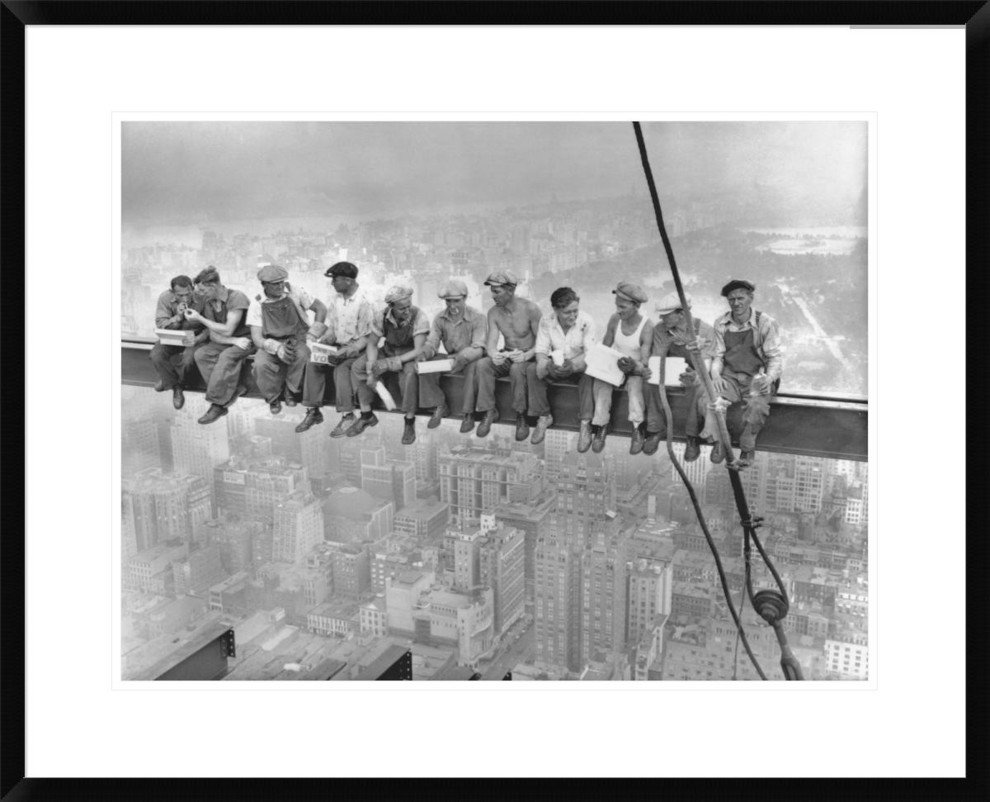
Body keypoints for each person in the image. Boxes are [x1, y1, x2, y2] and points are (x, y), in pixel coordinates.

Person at [701, 279, 783, 468]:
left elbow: (775, 357)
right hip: (730, 377)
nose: (736, 303)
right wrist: (716, 375)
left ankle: (747, 447)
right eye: (731, 300)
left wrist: (769, 379)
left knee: (756, 406)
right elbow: (718, 355)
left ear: (750, 298)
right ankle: (721, 441)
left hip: (757, 378)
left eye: (740, 298)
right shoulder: (721, 323)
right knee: (713, 400)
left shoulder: (765, 323)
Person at [295, 261, 377, 437]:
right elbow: (332, 327)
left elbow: (368, 337)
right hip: (337, 346)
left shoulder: (365, 302)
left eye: (335, 280)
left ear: (348, 280)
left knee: (341, 369)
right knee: (313, 362)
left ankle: (348, 415)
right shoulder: (336, 300)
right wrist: (323, 341)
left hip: (357, 350)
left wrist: (347, 351)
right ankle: (313, 410)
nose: (332, 284)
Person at [350, 284, 430, 445]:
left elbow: (418, 349)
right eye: (402, 309)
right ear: (391, 306)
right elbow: (372, 344)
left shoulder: (419, 317)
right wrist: (371, 368)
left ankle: (409, 420)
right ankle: (367, 414)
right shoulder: (382, 316)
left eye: (408, 306)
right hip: (388, 349)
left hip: (409, 354)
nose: (406, 311)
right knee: (358, 366)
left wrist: (389, 363)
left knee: (409, 375)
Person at [642, 291, 716, 460]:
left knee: (697, 387)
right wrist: (651, 369)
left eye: (666, 316)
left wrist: (695, 375)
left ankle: (692, 436)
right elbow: (657, 357)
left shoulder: (704, 330)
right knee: (650, 382)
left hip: (695, 374)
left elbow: (706, 366)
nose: (662, 319)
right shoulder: (661, 329)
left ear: (682, 314)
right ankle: (655, 428)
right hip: (669, 372)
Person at [247, 264, 327, 416]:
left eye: (281, 282)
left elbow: (321, 309)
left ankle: (291, 391)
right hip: (271, 341)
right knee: (260, 364)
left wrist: (312, 335)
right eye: (275, 284)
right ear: (264, 285)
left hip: (297, 338)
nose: (280, 286)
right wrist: (277, 348)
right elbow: (257, 338)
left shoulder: (295, 291)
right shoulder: (257, 303)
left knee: (303, 356)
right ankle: (273, 398)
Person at [473, 271, 542, 440]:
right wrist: (494, 354)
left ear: (510, 291)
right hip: (508, 353)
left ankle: (521, 416)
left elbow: (542, 342)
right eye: (492, 291)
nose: (493, 296)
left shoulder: (531, 309)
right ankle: (489, 411)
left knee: (517, 370)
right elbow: (491, 343)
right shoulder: (494, 313)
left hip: (529, 356)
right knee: (483, 365)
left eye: (497, 292)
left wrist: (527, 356)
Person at [530, 287, 598, 450]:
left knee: (589, 376)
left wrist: (573, 366)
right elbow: (540, 350)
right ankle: (544, 415)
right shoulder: (547, 321)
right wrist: (547, 365)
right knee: (532, 371)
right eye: (568, 312)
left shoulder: (586, 321)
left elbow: (591, 354)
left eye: (575, 311)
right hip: (556, 364)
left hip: (579, 366)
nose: (573, 316)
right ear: (556, 310)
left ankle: (585, 424)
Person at [185, 266, 255, 425]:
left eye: (203, 290)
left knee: (226, 357)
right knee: (201, 354)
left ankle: (217, 404)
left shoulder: (237, 297)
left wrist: (200, 319)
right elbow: (213, 332)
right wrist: (232, 341)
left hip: (247, 340)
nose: (201, 294)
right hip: (231, 341)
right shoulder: (209, 302)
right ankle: (235, 388)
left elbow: (228, 329)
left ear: (213, 286)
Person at [590, 282, 653, 455]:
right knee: (601, 382)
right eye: (617, 306)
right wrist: (601, 364)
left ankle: (637, 427)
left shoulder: (646, 327)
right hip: (616, 364)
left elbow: (646, 361)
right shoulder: (615, 319)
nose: (618, 310)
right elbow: (606, 345)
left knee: (635, 387)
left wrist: (634, 366)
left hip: (634, 369)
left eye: (623, 307)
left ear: (637, 306)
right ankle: (601, 424)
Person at [418, 279, 488, 432]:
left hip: (471, 358)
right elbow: (432, 342)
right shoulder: (440, 318)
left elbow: (479, 347)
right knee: (425, 367)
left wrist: (462, 357)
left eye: (456, 301)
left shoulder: (478, 317)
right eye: (448, 301)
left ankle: (468, 413)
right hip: (451, 358)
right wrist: (424, 354)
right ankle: (440, 405)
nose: (452, 306)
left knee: (472, 370)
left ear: (465, 298)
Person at [150, 275, 207, 410]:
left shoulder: (202, 298)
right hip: (173, 336)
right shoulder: (165, 298)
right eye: (180, 295)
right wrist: (178, 317)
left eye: (188, 294)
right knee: (156, 355)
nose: (185, 298)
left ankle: (171, 382)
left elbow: (210, 326)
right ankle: (175, 386)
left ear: (192, 289)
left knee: (188, 360)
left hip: (195, 336)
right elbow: (161, 324)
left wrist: (198, 339)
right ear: (172, 292)